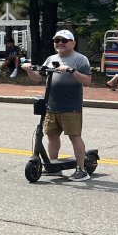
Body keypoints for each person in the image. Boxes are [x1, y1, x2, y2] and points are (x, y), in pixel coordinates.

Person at [26, 29, 93, 180]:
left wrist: (71, 71)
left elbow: (87, 81)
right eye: (57, 40)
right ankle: (53, 168)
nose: (60, 43)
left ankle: (82, 170)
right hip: (51, 106)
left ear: (73, 43)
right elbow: (38, 78)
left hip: (71, 106)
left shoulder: (80, 59)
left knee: (74, 137)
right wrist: (29, 70)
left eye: (64, 40)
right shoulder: (51, 58)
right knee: (51, 136)